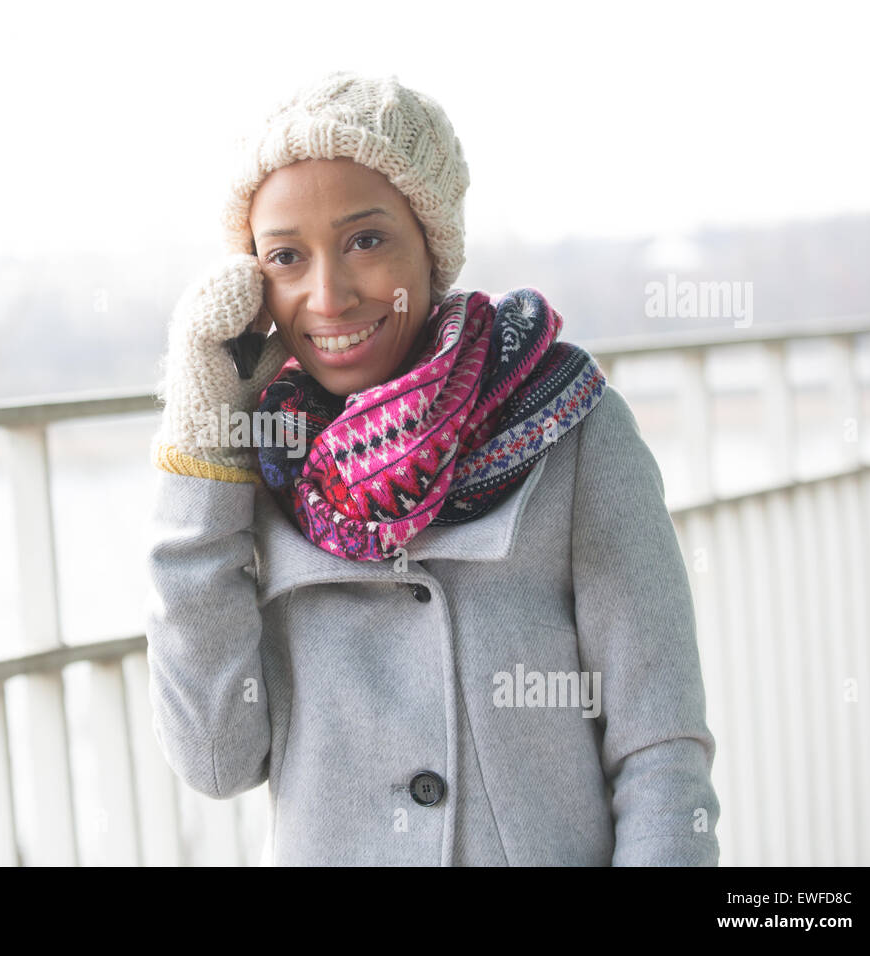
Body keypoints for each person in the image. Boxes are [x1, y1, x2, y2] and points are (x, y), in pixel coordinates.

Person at [144, 70, 720, 866]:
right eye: (284, 257)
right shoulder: (254, 462)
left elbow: (661, 750)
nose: (329, 295)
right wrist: (200, 458)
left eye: (366, 240)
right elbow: (214, 761)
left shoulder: (568, 423)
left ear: (431, 240)